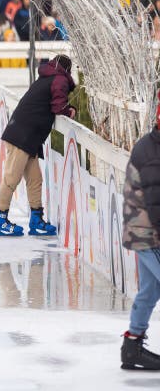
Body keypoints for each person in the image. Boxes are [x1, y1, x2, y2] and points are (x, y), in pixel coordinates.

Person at [0, 55, 76, 236]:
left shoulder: (47, 77)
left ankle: (36, 220)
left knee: (35, 179)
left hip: (28, 135)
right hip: (22, 136)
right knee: (11, 178)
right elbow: (58, 106)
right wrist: (70, 110)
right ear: (68, 69)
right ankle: (0, 221)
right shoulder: (59, 79)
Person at [120, 94, 160, 370]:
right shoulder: (153, 152)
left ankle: (132, 347)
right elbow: (156, 205)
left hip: (146, 231)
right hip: (149, 233)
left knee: (150, 289)